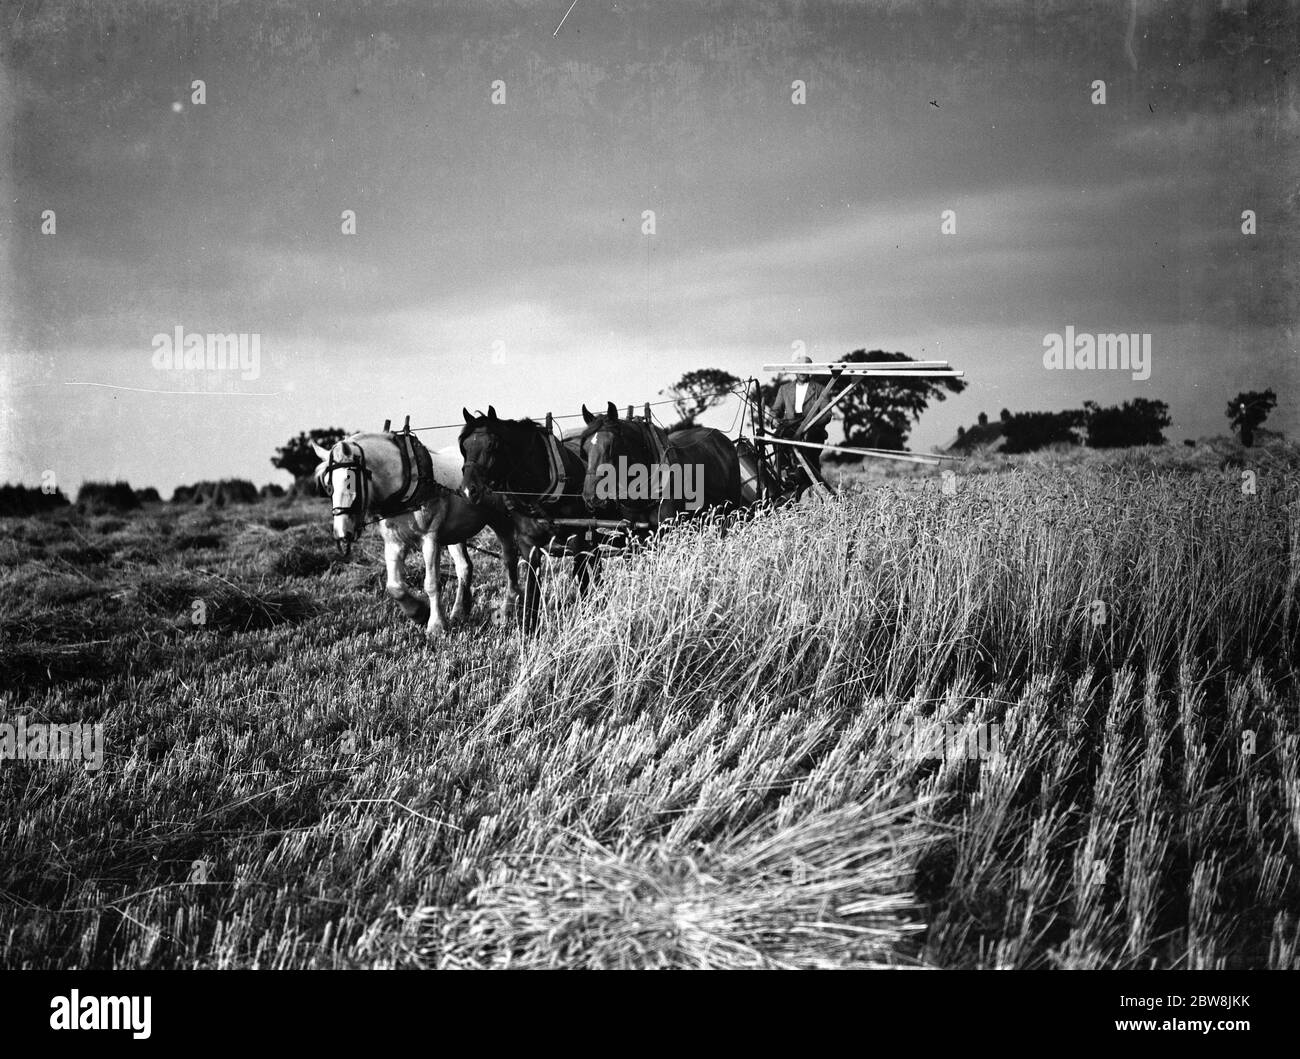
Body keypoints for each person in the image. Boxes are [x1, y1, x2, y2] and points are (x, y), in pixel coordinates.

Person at [769, 352, 828, 485]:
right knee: (777, 436)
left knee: (809, 440)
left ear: (810, 372)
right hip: (790, 426)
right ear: (795, 371)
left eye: (806, 369)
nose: (802, 372)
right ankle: (785, 471)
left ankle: (806, 472)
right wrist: (774, 419)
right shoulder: (784, 389)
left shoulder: (820, 389)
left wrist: (811, 423)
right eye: (800, 369)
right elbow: (775, 410)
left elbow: (827, 414)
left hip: (812, 428)